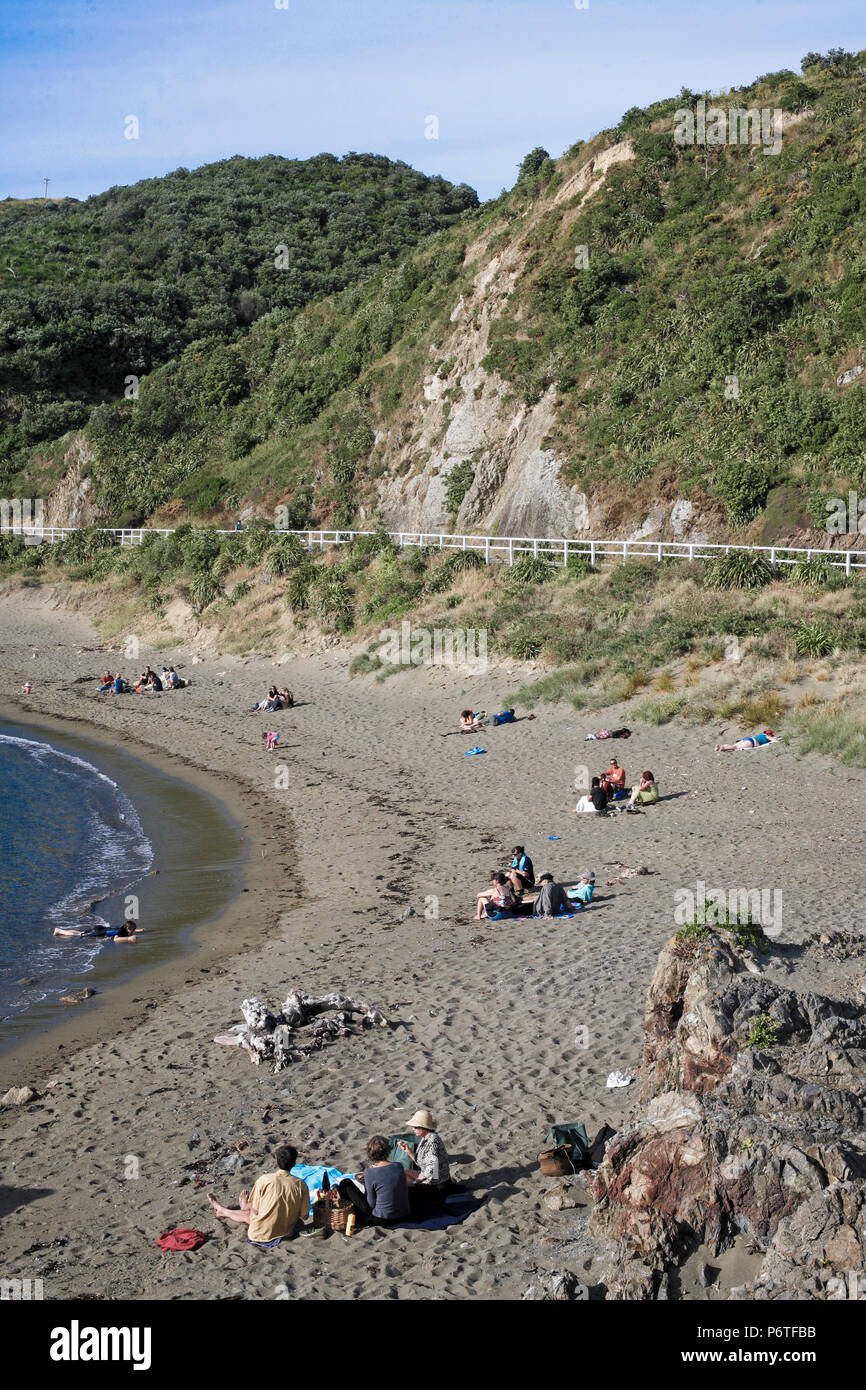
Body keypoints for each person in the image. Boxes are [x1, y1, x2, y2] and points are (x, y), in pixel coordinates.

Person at [208, 1144, 310, 1247]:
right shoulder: (301, 1184)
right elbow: (305, 1216)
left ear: (276, 1161)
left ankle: (223, 1209)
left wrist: (246, 1205)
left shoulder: (264, 1180)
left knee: (249, 1214)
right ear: (294, 1163)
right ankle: (224, 1210)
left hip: (260, 1234)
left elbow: (255, 1211)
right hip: (286, 1231)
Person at [337, 1135, 410, 1225]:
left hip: (382, 1219)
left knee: (346, 1183)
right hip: (404, 1216)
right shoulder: (398, 1166)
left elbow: (371, 1204)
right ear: (388, 1151)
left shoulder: (370, 1172)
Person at [399, 1109, 454, 1210]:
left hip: (437, 1184)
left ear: (424, 1127)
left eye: (415, 1127)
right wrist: (409, 1152)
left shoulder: (432, 1141)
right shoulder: (426, 1138)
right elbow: (423, 1163)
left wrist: (416, 1182)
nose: (413, 1129)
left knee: (405, 1185)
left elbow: (432, 1168)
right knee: (402, 1175)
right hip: (434, 1178)